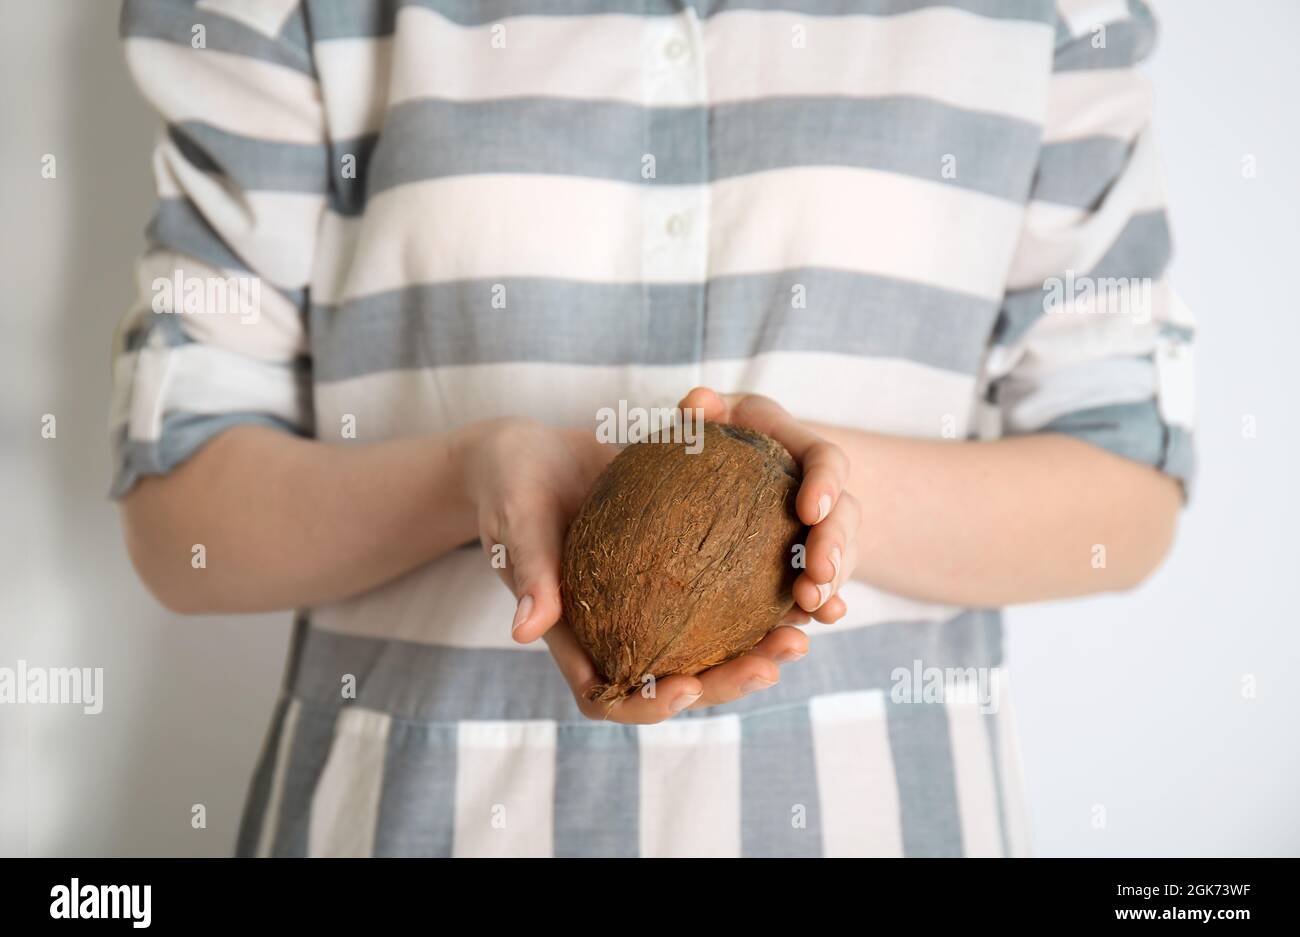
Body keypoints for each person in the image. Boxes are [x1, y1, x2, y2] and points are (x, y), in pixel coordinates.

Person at [112, 0, 1193, 857]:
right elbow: (182, 524)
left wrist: (810, 495)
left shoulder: (1041, 17)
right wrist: (474, 477)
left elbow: (1126, 495)